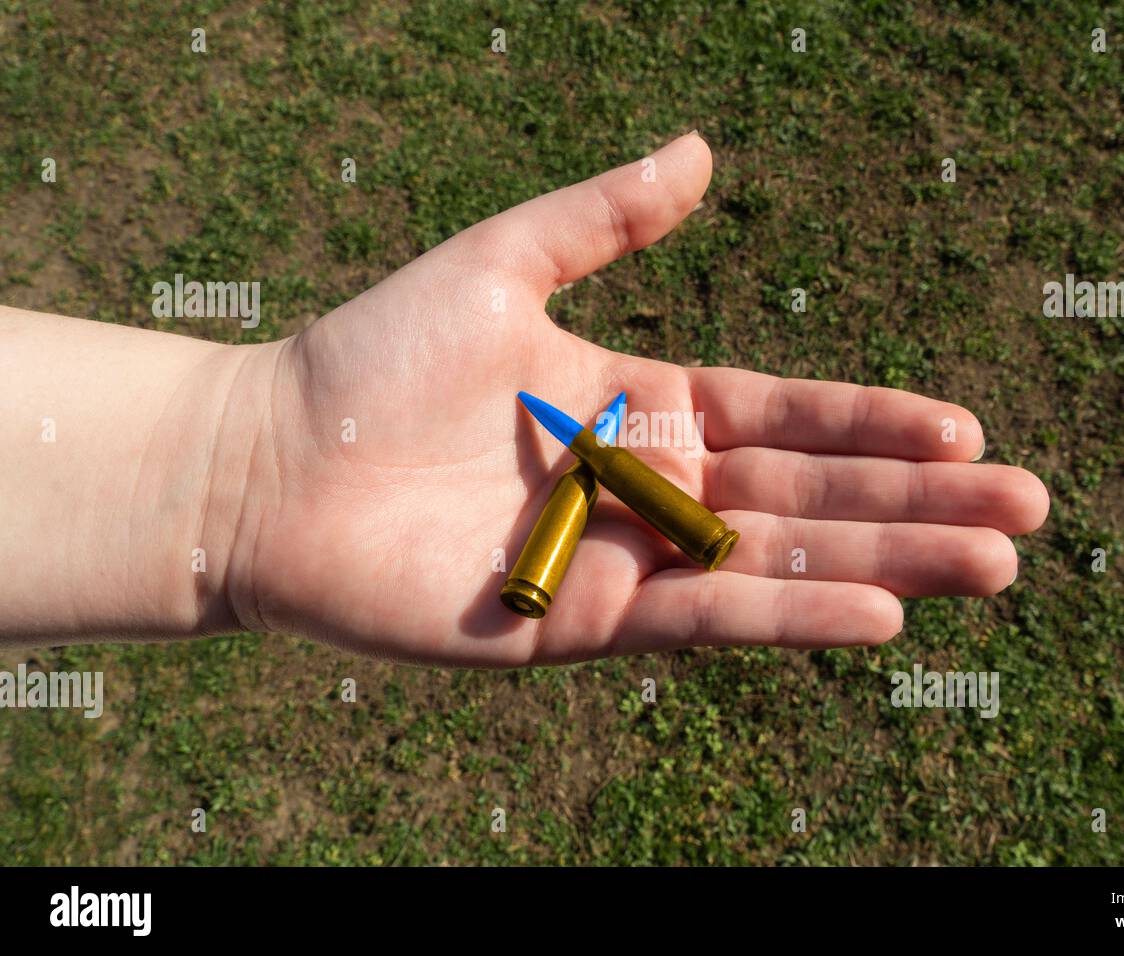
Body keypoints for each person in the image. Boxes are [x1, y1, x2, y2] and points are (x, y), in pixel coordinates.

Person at [0, 132, 1048, 667]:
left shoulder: (586, 461)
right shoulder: (583, 461)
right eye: (581, 452)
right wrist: (250, 453)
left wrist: (243, 453)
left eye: (582, 451)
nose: (572, 447)